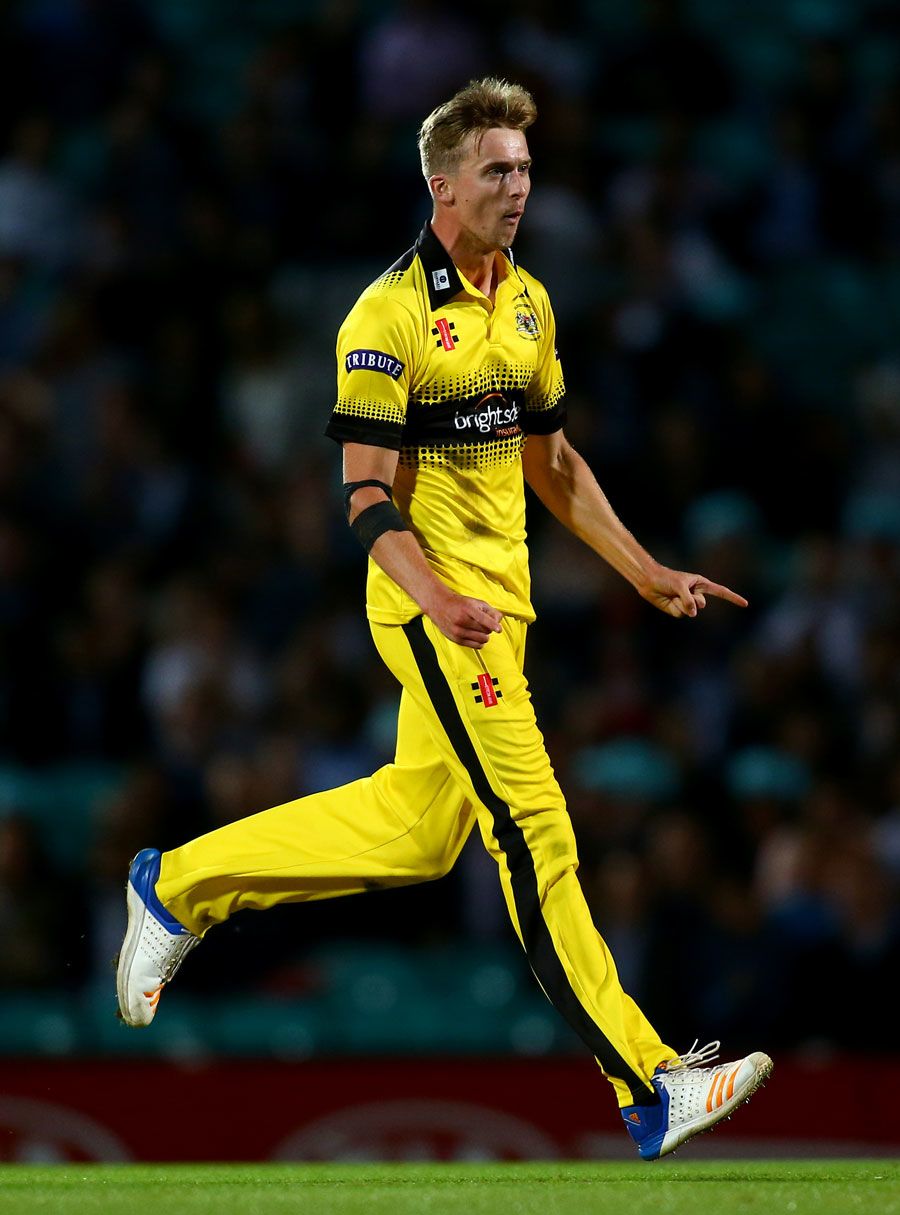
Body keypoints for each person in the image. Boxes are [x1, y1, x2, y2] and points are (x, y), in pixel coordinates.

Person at [116, 77, 772, 1161]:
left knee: (420, 833)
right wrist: (437, 598)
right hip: (434, 608)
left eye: (525, 169)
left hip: (500, 610)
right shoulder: (386, 316)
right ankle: (651, 1080)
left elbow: (554, 463)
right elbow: (363, 496)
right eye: (496, 171)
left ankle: (175, 885)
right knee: (535, 826)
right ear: (443, 185)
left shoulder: (529, 303)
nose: (519, 188)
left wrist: (644, 569)